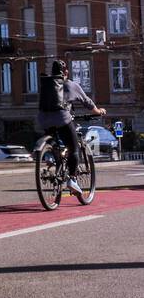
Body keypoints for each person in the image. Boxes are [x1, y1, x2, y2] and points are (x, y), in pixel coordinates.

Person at [38, 60, 105, 196]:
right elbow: (87, 102)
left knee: (57, 146)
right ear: (66, 72)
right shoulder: (70, 84)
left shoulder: (48, 85)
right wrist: (98, 111)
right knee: (73, 148)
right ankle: (72, 180)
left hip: (43, 119)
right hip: (62, 118)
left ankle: (53, 160)